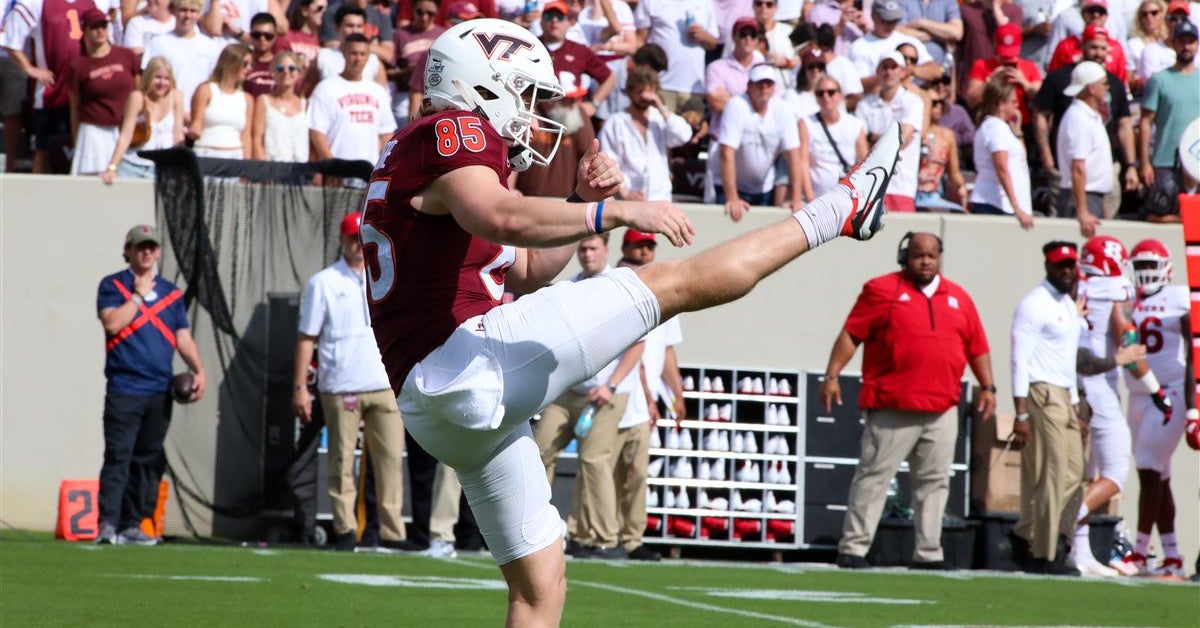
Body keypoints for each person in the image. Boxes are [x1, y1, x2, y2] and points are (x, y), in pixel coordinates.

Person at [364, 18, 897, 625]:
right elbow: (503, 218)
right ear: (485, 83)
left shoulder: (415, 149)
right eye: (528, 94)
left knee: (540, 590)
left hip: (437, 398)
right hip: (466, 361)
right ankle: (843, 208)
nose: (537, 113)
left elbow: (532, 268)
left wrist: (576, 208)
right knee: (674, 283)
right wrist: (614, 208)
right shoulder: (453, 129)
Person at [822, 232, 995, 570]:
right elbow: (851, 334)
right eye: (918, 255)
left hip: (942, 407)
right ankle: (854, 548)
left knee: (934, 482)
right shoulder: (881, 290)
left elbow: (977, 346)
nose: (926, 261)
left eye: (932, 255)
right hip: (892, 405)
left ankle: (928, 552)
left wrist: (989, 386)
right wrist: (832, 375)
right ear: (905, 256)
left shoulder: (958, 297)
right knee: (874, 477)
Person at [292, 212, 411, 552]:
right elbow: (306, 338)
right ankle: (345, 529)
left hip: (385, 383)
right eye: (351, 240)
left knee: (390, 460)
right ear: (342, 242)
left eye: (362, 240)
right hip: (340, 383)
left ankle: (391, 533)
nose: (358, 247)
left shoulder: (387, 275)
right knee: (342, 460)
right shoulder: (324, 282)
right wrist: (301, 386)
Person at [532, 234, 646, 560]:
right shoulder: (570, 286)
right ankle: (536, 532)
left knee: (594, 461)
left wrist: (610, 384)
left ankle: (606, 539)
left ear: (606, 250)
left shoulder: (619, 284)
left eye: (593, 247)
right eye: (582, 248)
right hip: (569, 391)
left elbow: (639, 342)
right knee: (539, 452)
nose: (586, 253)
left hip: (606, 393)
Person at [95, 225, 206, 545]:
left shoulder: (172, 294)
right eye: (140, 246)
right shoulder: (112, 285)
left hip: (159, 389)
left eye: (152, 247)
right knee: (119, 455)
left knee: (148, 459)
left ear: (158, 252)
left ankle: (132, 523)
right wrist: (139, 295)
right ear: (127, 250)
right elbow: (113, 323)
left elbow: (181, 336)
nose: (147, 252)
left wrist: (198, 370)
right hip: (124, 386)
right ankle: (107, 523)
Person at [1072, 235, 1174, 576]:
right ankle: (1063, 522)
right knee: (1114, 476)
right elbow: (1130, 352)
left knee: (1089, 474)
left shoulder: (1078, 287)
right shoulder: (1118, 290)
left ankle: (1081, 551)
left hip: (1074, 385)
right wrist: (1157, 391)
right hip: (1101, 389)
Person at [1009, 241, 1086, 576]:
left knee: (1074, 472)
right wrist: (1021, 411)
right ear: (1048, 266)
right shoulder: (1034, 303)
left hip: (1064, 395)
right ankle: (1045, 553)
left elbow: (1067, 359)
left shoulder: (1068, 303)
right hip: (1041, 391)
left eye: (1070, 265)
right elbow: (1019, 359)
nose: (1066, 271)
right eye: (1060, 266)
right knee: (1054, 474)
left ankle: (1024, 533)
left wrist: (1075, 405)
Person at [1121, 239, 1195, 577]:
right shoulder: (1127, 301)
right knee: (1159, 475)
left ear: (1166, 268)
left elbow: (1194, 348)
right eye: (1141, 266)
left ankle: (1138, 553)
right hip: (1137, 395)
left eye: (1152, 266)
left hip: (1170, 392)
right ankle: (1172, 555)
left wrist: (1194, 404)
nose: (1147, 273)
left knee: (1149, 470)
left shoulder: (1178, 298)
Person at [1, 0, 114, 173]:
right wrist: (30, 69)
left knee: (88, 148)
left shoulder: (98, 2)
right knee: (44, 149)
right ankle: (36, 196)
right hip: (53, 92)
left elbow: (110, 28)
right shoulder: (35, 2)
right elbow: (10, 39)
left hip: (89, 92)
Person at [1033, 31, 1136, 218]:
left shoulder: (1089, 115)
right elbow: (1078, 167)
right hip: (1081, 197)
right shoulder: (1078, 119)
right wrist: (1082, 209)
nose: (1107, 87)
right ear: (1090, 88)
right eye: (1103, 84)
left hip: (1092, 197)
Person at [717, 63, 804, 220]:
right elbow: (726, 153)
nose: (764, 87)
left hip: (765, 188)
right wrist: (732, 197)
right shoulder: (736, 105)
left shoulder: (784, 109)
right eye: (759, 83)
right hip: (731, 187)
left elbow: (794, 156)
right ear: (749, 85)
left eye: (768, 83)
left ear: (774, 87)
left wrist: (796, 198)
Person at [597, 67, 692, 201]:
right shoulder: (615, 123)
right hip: (629, 200)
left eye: (650, 91)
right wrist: (626, 194)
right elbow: (608, 164)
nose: (645, 96)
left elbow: (683, 135)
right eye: (640, 91)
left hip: (661, 198)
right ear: (630, 91)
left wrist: (660, 106)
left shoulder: (660, 119)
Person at [66, 9, 140, 176]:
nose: (100, 31)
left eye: (103, 26)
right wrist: (78, 142)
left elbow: (139, 91)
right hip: (93, 132)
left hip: (126, 130)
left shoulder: (127, 56)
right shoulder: (78, 66)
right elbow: (75, 108)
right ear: (84, 31)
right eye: (94, 27)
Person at [1139, 21, 1199, 223]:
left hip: (1197, 159)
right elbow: (1146, 122)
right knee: (1159, 214)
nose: (1187, 46)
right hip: (1166, 161)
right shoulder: (1159, 79)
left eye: (1191, 42)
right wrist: (1146, 162)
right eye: (1182, 41)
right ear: (1173, 44)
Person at [308, 33, 396, 164]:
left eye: (363, 54)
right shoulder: (325, 88)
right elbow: (316, 132)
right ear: (343, 54)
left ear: (368, 57)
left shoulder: (378, 91)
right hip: (338, 170)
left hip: (369, 172)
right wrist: (331, 165)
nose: (358, 59)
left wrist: (384, 167)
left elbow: (386, 134)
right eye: (353, 53)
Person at [856, 51, 924, 212]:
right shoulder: (864, 105)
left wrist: (873, 137)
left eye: (894, 67)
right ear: (878, 72)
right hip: (870, 185)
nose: (889, 72)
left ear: (903, 72)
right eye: (884, 67)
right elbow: (859, 144)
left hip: (901, 185)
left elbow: (902, 141)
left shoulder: (913, 101)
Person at [100, 56, 185, 182]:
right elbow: (125, 136)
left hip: (164, 167)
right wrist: (112, 167)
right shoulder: (137, 97)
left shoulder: (177, 96)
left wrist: (182, 167)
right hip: (132, 165)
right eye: (157, 77)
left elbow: (178, 136)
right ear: (149, 77)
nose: (162, 83)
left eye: (167, 78)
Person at [141, 0, 224, 120]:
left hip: (199, 114)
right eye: (183, 10)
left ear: (199, 14)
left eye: (193, 11)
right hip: (167, 114)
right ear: (174, 11)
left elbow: (215, 82)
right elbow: (147, 79)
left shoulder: (210, 46)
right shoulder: (158, 43)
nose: (188, 16)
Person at [968, 78, 1034, 228]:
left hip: (1004, 205)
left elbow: (1019, 161)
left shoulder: (1003, 128)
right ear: (1001, 104)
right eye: (1013, 102)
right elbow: (1001, 167)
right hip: (995, 204)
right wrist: (1016, 207)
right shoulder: (995, 127)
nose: (1017, 106)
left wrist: (1017, 131)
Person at [634, 0, 718, 112]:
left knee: (693, 129)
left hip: (693, 88)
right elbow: (639, 40)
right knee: (657, 127)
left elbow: (713, 43)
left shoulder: (705, 3)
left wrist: (704, 36)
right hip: (659, 85)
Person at [964, 23, 1043, 132]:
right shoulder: (982, 65)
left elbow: (1041, 99)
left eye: (1011, 56)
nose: (1008, 60)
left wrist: (1024, 82)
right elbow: (971, 100)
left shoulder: (1029, 67)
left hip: (1022, 125)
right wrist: (990, 80)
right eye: (1005, 56)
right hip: (991, 125)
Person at [798, 75, 868, 199]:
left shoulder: (855, 125)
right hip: (817, 198)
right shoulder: (806, 123)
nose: (826, 96)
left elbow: (863, 164)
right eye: (820, 93)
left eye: (831, 92)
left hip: (847, 197)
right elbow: (803, 162)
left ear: (840, 95)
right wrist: (810, 197)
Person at [848, 0, 940, 92]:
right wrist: (889, 74)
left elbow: (935, 71)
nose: (890, 25)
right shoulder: (860, 46)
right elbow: (858, 85)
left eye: (894, 20)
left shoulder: (908, 40)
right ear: (873, 16)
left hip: (910, 97)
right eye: (885, 20)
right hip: (877, 100)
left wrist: (909, 70)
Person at [302, 4, 388, 96]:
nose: (355, 30)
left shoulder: (373, 61)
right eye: (349, 26)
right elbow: (307, 94)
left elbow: (382, 97)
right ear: (338, 28)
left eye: (359, 26)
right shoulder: (323, 57)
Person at [188, 43, 253, 158]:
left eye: (251, 64)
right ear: (232, 63)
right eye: (245, 64)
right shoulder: (206, 90)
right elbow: (196, 125)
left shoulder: (247, 99)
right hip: (207, 153)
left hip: (235, 156)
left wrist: (246, 168)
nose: (249, 68)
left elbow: (246, 136)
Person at [251, 50, 308, 162]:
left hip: (300, 170)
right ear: (273, 73)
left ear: (299, 73)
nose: (286, 72)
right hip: (272, 170)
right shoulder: (263, 101)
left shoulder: (305, 104)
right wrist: (264, 170)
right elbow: (257, 140)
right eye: (280, 69)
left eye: (291, 68)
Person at [1047, 3, 1128, 81]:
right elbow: (1053, 79)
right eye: (1091, 11)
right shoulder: (1065, 45)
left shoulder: (1116, 47)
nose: (1096, 15)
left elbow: (1121, 81)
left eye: (1101, 11)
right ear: (1082, 14)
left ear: (1106, 16)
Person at [915, 94, 966, 212]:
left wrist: (961, 187)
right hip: (911, 193)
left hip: (935, 195)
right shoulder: (913, 131)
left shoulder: (947, 135)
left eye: (940, 104)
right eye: (933, 104)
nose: (937, 108)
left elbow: (954, 173)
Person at [1127, 0, 1174, 93]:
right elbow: (1128, 78)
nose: (1149, 17)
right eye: (1144, 14)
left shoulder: (1171, 42)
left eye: (1154, 13)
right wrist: (1139, 82)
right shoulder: (1133, 44)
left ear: (1163, 14)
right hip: (1144, 94)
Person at [241, 13, 278, 98]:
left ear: (276, 36)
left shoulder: (281, 64)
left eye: (268, 36)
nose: (262, 39)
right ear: (250, 35)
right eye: (256, 35)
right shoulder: (241, 62)